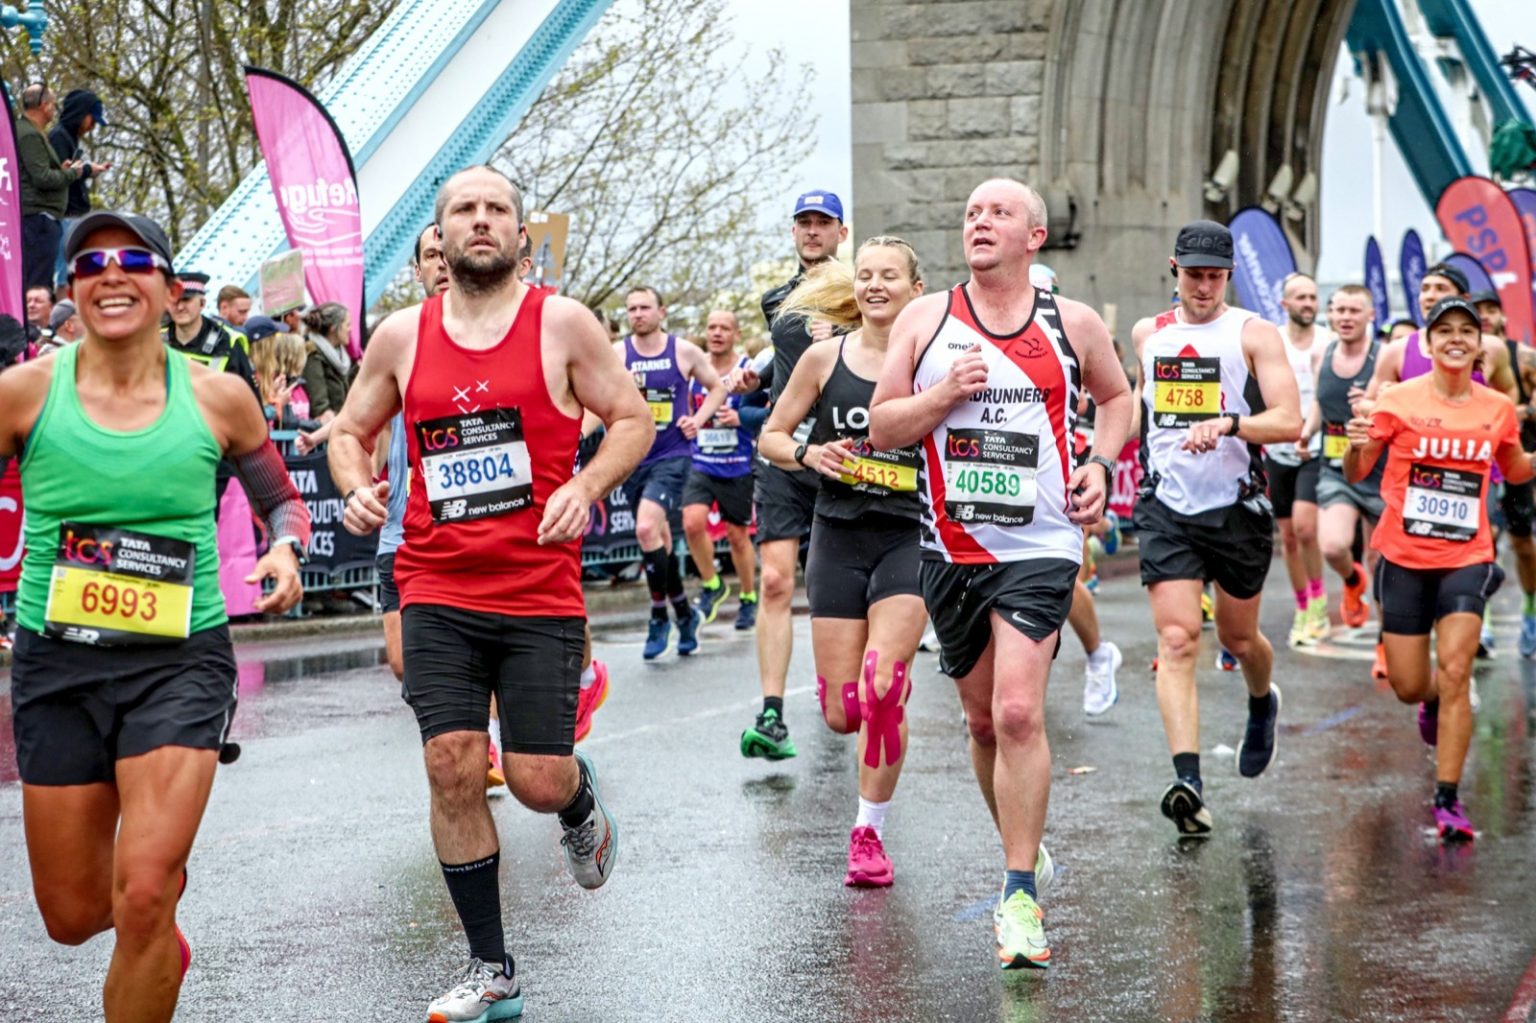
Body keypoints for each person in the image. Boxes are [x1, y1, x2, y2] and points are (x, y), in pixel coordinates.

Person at [329, 165, 652, 1020]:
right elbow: (350, 431)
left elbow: (632, 417)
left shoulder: (563, 324)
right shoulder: (403, 335)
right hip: (435, 581)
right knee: (451, 765)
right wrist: (359, 483)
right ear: (439, 234)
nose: (481, 221)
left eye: (496, 210)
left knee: (536, 777)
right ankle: (491, 966)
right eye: (464, 210)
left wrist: (584, 486)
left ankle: (580, 805)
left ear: (519, 231)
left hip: (538, 586)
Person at [0, 210, 307, 1021]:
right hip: (56, 664)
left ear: (169, 289)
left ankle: (151, 903)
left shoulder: (217, 395)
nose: (111, 272)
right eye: (89, 262)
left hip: (179, 662)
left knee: (140, 890)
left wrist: (285, 551)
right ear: (69, 289)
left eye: (134, 259)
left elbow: (280, 501)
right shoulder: (24, 392)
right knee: (70, 917)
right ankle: (155, 923)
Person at [871, 179, 1132, 969]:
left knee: (1019, 712)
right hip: (949, 547)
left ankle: (1019, 893)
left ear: (1035, 236)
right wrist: (942, 394)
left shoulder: (1072, 322)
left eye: (999, 213)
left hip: (1042, 544)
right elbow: (885, 426)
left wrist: (1100, 460)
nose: (981, 222)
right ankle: (1026, 846)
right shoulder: (926, 319)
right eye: (972, 213)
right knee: (983, 723)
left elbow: (1119, 399)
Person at [760, 239, 929, 886]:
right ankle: (883, 696)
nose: (875, 285)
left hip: (907, 535)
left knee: (882, 688)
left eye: (890, 276)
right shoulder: (823, 357)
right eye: (866, 276)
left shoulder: (932, 362)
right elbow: (773, 435)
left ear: (917, 288)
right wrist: (810, 456)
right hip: (838, 533)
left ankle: (869, 832)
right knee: (841, 712)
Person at [1130, 220, 1301, 837]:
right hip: (1167, 506)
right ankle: (1189, 783)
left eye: (1214, 275)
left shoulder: (1253, 334)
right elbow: (1140, 409)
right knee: (1177, 641)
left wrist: (1230, 424)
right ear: (1173, 267)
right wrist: (1091, 457)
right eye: (1192, 274)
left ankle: (1263, 701)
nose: (1202, 287)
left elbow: (1289, 421)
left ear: (1228, 275)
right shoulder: (1148, 333)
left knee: (1238, 639)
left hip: (1235, 507)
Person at [1345, 296, 1534, 841]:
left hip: (1466, 558)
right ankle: (1428, 700)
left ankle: (1448, 800)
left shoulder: (1497, 408)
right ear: (1427, 345)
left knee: (1456, 673)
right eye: (1443, 330)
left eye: (1466, 332)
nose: (1455, 338)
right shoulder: (1397, 400)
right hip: (1403, 558)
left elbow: (1514, 468)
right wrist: (1357, 448)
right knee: (1409, 685)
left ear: (1480, 346)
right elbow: (1358, 473)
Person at [731, 190, 848, 760]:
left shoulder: (857, 293)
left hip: (840, 455)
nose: (811, 231)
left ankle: (842, 687)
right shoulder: (777, 298)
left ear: (841, 233)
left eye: (823, 222)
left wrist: (843, 338)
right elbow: (781, 359)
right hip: (783, 454)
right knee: (775, 581)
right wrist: (754, 379)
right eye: (803, 222)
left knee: (831, 584)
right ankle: (772, 713)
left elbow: (884, 348)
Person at [617, 286, 726, 659]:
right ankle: (683, 613)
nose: (638, 314)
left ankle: (658, 615)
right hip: (632, 458)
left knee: (646, 529)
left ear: (661, 311)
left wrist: (697, 419)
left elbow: (717, 389)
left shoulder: (683, 351)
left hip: (672, 454)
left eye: (645, 307)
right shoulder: (618, 355)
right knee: (657, 544)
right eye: (631, 309)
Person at [1302, 285, 1387, 676]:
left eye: (1355, 310)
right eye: (1339, 310)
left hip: (1382, 468)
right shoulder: (1323, 353)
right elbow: (1321, 400)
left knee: (1383, 560)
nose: (1346, 317)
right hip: (1337, 465)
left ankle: (1386, 643)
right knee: (1333, 545)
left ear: (1370, 315)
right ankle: (1352, 581)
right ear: (1330, 315)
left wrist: (1375, 404)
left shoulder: (1384, 355)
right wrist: (1307, 431)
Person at [683, 309, 764, 630]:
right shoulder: (694, 368)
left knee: (737, 537)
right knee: (691, 523)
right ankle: (713, 584)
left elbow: (767, 409)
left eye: (724, 328)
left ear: (736, 334)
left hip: (738, 464)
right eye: (712, 327)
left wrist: (740, 418)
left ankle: (747, 597)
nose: (717, 333)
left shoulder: (749, 369)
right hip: (701, 461)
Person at [1473, 289, 1536, 657]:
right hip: (1478, 462)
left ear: (1502, 317)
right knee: (1485, 541)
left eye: (1491, 310)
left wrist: (1518, 414)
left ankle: (1530, 610)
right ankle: (1483, 623)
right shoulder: (1461, 355)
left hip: (1515, 457)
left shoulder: (1522, 356)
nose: (1484, 316)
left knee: (1522, 544)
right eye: (1477, 310)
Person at [1268, 273, 1328, 647]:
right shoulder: (1271, 340)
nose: (1308, 303)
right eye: (1300, 297)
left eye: (1312, 297)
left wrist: (1308, 430)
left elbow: (1328, 392)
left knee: (1306, 529)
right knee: (1288, 537)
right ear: (1284, 304)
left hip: (1315, 446)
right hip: (1278, 448)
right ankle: (1303, 606)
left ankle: (1320, 602)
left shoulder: (1328, 341)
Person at [16, 84, 98, 292]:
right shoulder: (30, 136)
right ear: (44, 105)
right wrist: (75, 173)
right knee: (39, 281)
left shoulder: (34, 133)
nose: (54, 109)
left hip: (41, 217)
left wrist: (61, 170)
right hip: (39, 218)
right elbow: (41, 178)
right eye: (52, 104)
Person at [163, 271, 259, 397]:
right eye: (175, 300)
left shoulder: (227, 342)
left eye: (186, 300)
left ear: (202, 303)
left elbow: (249, 401)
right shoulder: (155, 341)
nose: (180, 307)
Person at [300, 302, 354, 422]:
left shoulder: (341, 357)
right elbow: (320, 406)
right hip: (325, 431)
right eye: (347, 324)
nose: (351, 329)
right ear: (333, 328)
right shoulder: (313, 354)